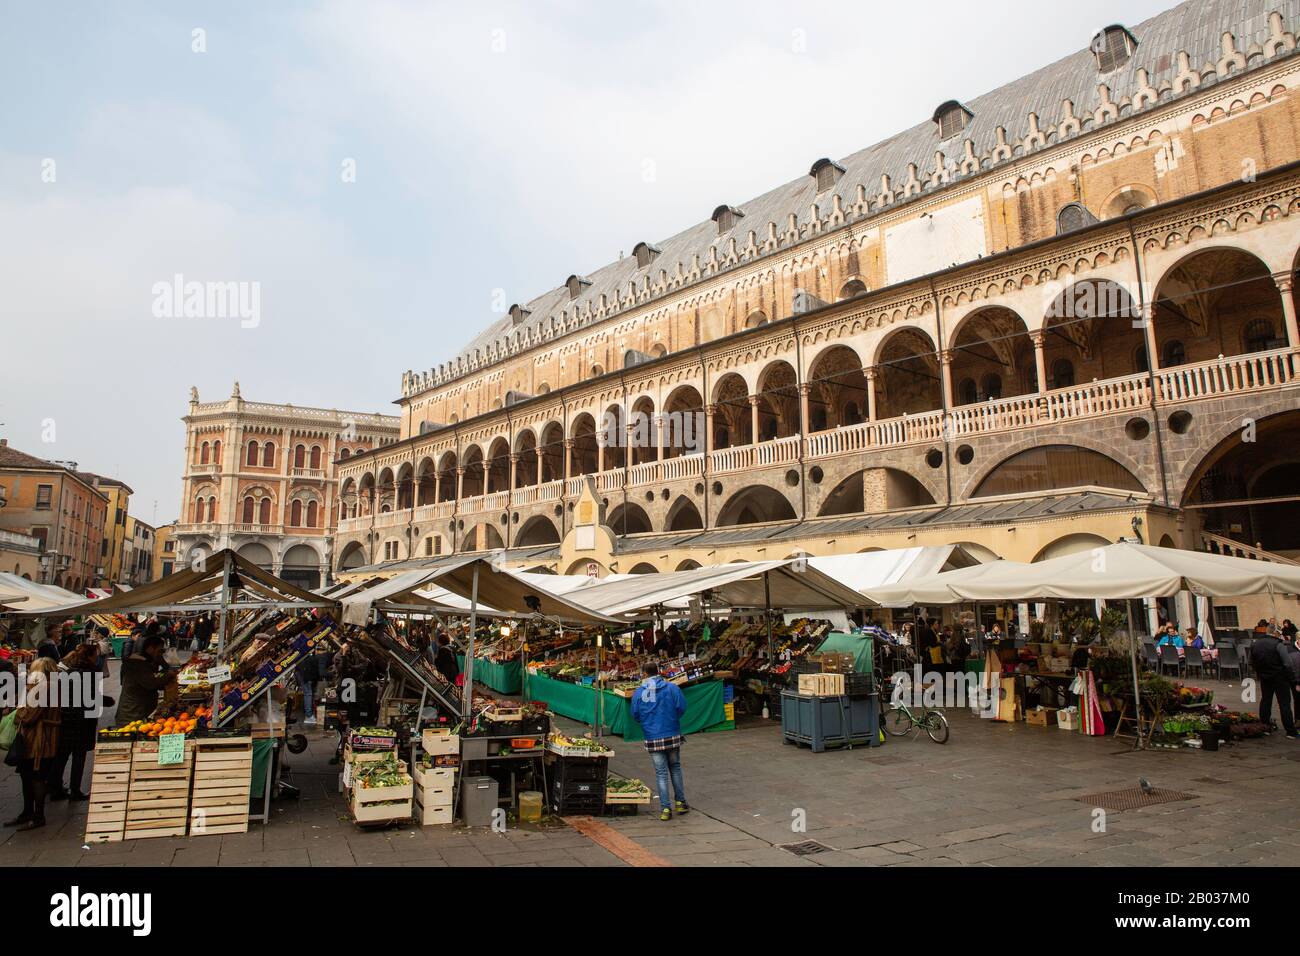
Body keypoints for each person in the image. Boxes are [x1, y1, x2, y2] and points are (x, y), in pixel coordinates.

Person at [4, 658, 62, 830]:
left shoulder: (42, 689)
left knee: (35, 777)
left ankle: (37, 815)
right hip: (45, 737)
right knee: (29, 775)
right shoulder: (55, 686)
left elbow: (28, 716)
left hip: (38, 740)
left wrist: (18, 711)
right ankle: (28, 812)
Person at [629, 661, 689, 821]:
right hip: (671, 733)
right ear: (659, 672)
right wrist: (672, 719)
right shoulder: (672, 688)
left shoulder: (639, 692)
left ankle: (665, 809)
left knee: (661, 773)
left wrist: (648, 723)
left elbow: (635, 714)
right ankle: (680, 802)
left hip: (652, 736)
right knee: (675, 768)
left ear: (644, 674)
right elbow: (681, 707)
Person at [50, 643, 109, 801]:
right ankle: (75, 789)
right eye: (95, 655)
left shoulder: (68, 671)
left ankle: (55, 787)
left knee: (62, 754)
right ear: (89, 656)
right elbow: (92, 697)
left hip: (66, 718)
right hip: (83, 719)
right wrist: (107, 701)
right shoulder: (91, 673)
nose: (97, 658)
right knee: (79, 755)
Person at [115, 635, 177, 725]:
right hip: (132, 715)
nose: (161, 654)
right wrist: (168, 675)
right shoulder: (138, 663)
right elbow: (152, 684)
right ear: (151, 648)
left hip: (139, 712)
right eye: (160, 650)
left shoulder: (145, 661)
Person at [1250, 623, 1298, 739]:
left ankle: (1264, 726)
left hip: (1264, 677)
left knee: (1266, 700)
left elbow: (1251, 661)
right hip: (1280, 677)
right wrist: (1292, 678)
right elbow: (1287, 663)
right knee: (1284, 704)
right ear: (1276, 632)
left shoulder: (1256, 644)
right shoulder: (1278, 644)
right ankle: (1290, 731)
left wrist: (1260, 672)